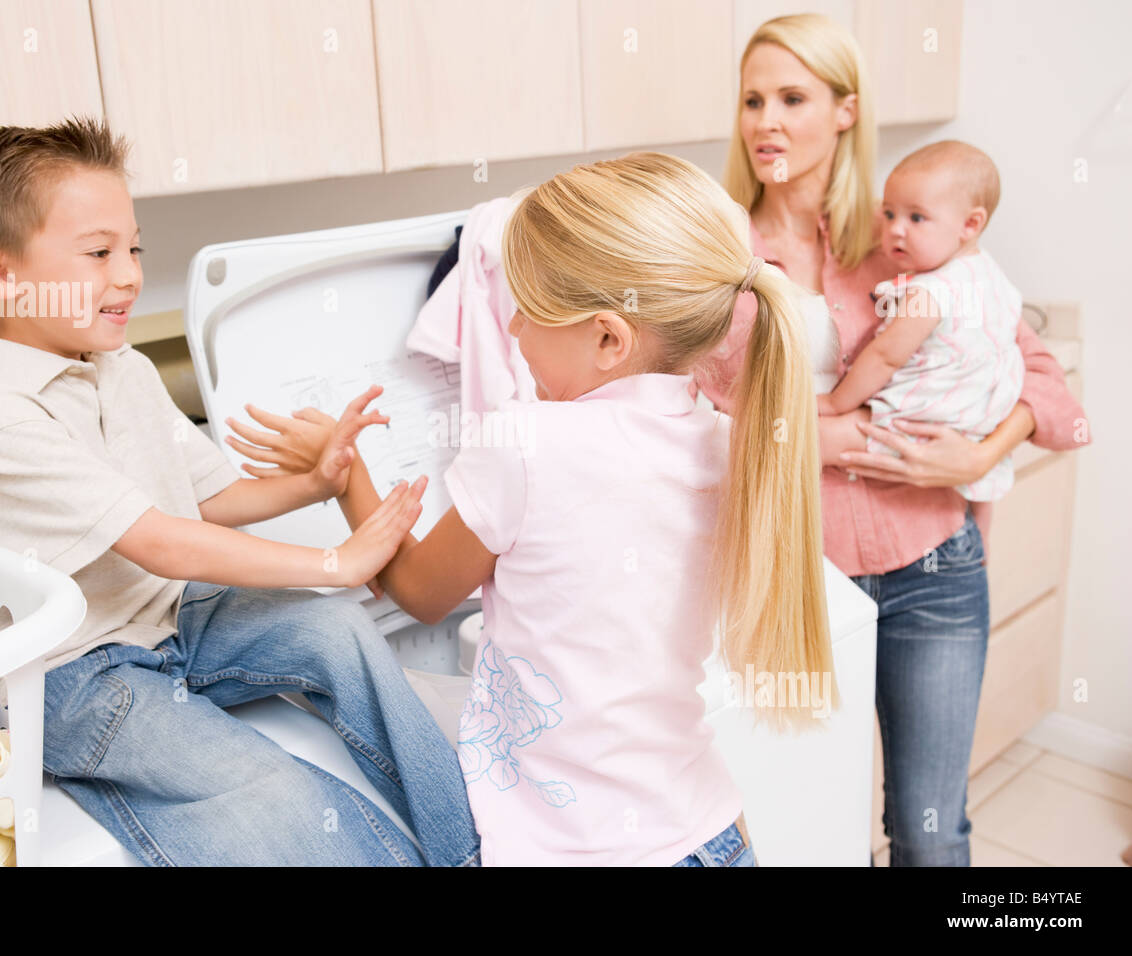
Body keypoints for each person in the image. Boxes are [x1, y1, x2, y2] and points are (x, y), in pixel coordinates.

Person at [0, 116, 480, 866]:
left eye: (133, 248)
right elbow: (157, 538)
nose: (127, 274)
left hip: (175, 616)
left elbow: (205, 503)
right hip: (74, 676)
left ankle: (478, 851)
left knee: (339, 631)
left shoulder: (123, 369)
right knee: (274, 796)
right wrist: (334, 564)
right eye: (97, 253)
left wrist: (317, 480)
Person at [262, 151, 834, 866]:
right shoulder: (728, 445)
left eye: (529, 313)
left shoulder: (525, 444)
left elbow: (419, 593)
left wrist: (347, 478)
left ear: (607, 337)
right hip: (711, 831)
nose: (511, 333)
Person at [701, 14, 1091, 866]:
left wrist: (985, 453)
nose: (765, 121)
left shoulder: (911, 234)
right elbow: (703, 425)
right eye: (752, 100)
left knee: (927, 831)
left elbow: (1049, 389)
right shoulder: (722, 259)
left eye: (792, 98)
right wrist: (836, 438)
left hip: (935, 575)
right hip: (799, 588)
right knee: (801, 827)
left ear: (845, 110)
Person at [816, 140, 1026, 555]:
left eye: (916, 218)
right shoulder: (988, 272)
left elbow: (886, 355)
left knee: (812, 438)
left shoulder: (930, 291)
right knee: (977, 493)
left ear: (970, 224)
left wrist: (839, 402)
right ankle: (978, 545)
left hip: (930, 416)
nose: (895, 229)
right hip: (983, 416)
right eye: (889, 213)